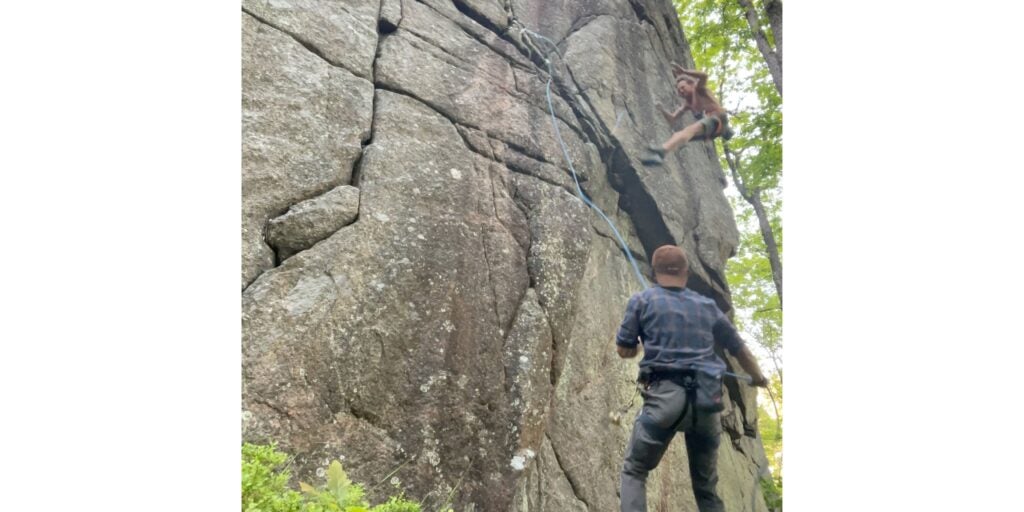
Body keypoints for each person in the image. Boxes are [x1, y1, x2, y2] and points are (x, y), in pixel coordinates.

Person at [615, 244, 767, 512]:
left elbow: (624, 350)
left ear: (654, 270)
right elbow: (739, 349)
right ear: (686, 271)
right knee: (706, 490)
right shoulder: (707, 306)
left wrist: (638, 346)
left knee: (635, 470)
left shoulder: (642, 301)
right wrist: (758, 378)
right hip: (708, 402)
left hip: (665, 400)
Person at [641, 64, 734, 166]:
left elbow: (704, 76)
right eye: (679, 91)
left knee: (690, 129)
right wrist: (662, 110)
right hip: (710, 132)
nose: (681, 91)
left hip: (718, 118)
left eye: (683, 87)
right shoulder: (687, 104)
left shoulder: (699, 89)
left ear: (691, 84)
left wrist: (684, 71)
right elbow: (672, 119)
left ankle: (662, 150)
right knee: (678, 135)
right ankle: (659, 156)